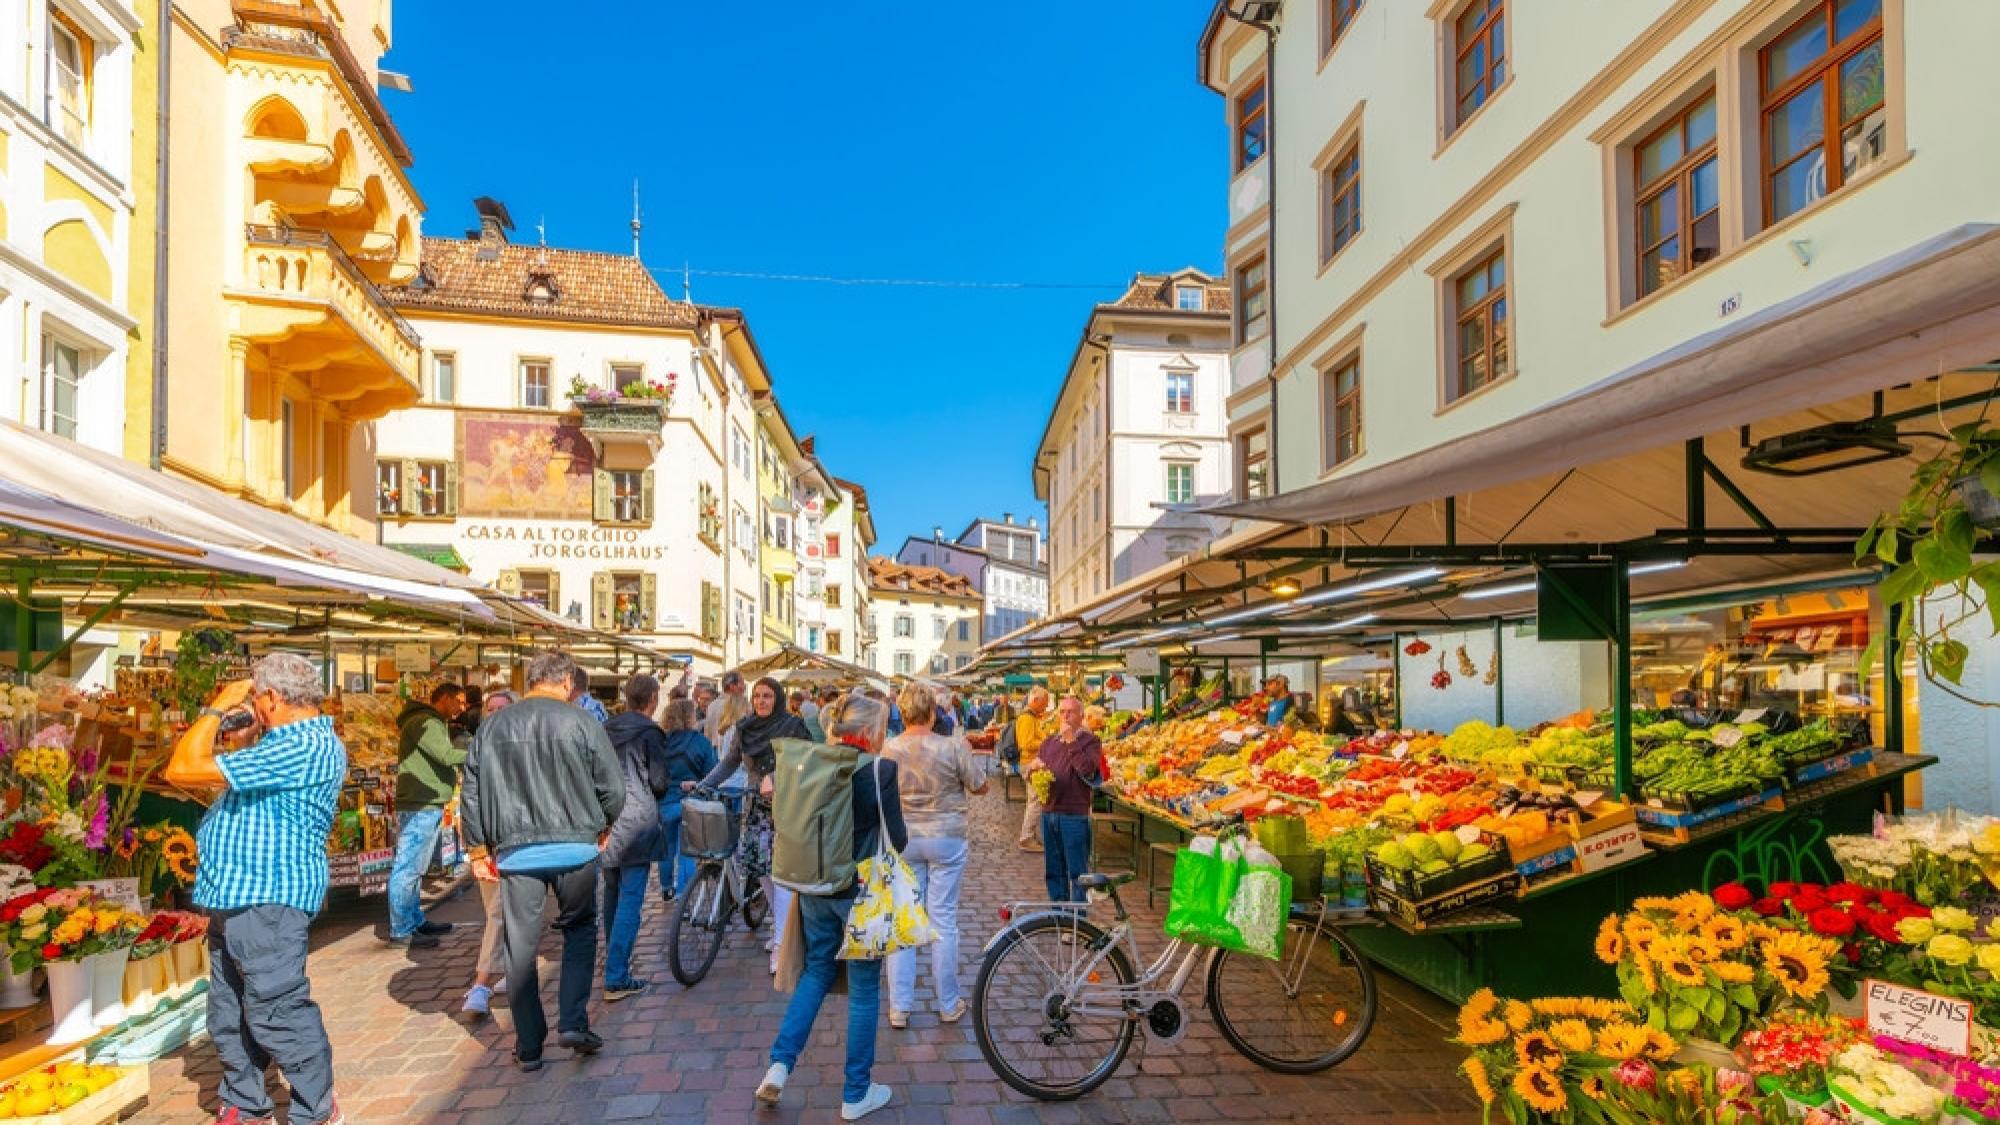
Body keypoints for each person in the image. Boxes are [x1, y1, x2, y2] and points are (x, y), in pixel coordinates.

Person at [163, 654, 348, 1125]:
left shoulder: (303, 744)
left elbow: (181, 769)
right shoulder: (283, 743)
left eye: (255, 699)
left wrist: (216, 709)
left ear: (269, 698)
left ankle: (316, 1108)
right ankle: (245, 1102)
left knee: (276, 1008)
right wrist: (244, 737)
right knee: (229, 1011)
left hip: (268, 897)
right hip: (238, 894)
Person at [460, 651, 624, 1071]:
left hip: (517, 851)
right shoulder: (582, 721)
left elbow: (472, 791)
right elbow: (612, 786)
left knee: (521, 946)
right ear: (567, 682)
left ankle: (529, 1044)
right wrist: (603, 824)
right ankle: (572, 1020)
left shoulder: (493, 726)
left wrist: (478, 848)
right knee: (580, 929)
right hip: (575, 845)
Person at [756, 693, 906, 1120]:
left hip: (813, 887)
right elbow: (899, 840)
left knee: (817, 972)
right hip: (858, 892)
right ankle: (856, 1092)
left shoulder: (813, 761)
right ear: (868, 731)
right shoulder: (879, 770)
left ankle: (779, 1067)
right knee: (863, 992)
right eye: (880, 727)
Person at [881, 683, 986, 1029]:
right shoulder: (952, 746)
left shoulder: (889, 749)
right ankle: (948, 1002)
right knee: (943, 920)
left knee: (904, 919)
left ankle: (900, 1006)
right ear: (932, 712)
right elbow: (979, 784)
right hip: (945, 836)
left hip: (903, 837)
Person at [695, 677, 807, 966]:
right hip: (756, 806)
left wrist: (777, 778)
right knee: (762, 871)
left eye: (767, 696)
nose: (761, 701)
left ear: (778, 698)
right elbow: (730, 762)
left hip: (786, 807)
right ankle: (781, 927)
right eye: (757, 695)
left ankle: (783, 946)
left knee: (780, 873)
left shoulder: (792, 726)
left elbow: (806, 762)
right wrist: (702, 784)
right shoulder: (745, 728)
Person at [600, 675, 674, 1001]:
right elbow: (658, 782)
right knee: (631, 898)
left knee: (612, 892)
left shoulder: (605, 729)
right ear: (653, 699)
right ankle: (616, 974)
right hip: (638, 821)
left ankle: (614, 960)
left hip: (607, 818)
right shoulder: (650, 733)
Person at [387, 683, 467, 949]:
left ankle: (414, 920)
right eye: (458, 701)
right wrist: (481, 753)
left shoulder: (427, 721)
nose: (461, 707)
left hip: (424, 800)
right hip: (421, 802)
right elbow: (445, 756)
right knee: (409, 867)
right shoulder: (426, 722)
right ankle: (402, 929)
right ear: (443, 698)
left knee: (415, 866)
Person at [461, 689, 515, 1017]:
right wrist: (476, 848)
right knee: (496, 910)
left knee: (498, 912)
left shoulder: (520, 749)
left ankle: (481, 984)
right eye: (489, 708)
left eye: (501, 708)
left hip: (516, 842)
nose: (493, 713)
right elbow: (470, 797)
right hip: (488, 844)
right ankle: (512, 969)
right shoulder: (477, 749)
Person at [1038, 695, 1106, 907]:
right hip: (1049, 812)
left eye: (1071, 712)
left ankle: (1077, 919)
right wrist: (1032, 770)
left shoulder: (1090, 741)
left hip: (1073, 815)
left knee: (1077, 871)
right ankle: (1059, 914)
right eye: (1062, 712)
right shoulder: (1049, 742)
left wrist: (1071, 741)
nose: (1065, 716)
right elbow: (1038, 773)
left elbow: (1087, 769)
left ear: (1081, 716)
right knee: (1054, 870)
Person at [656, 698, 719, 901]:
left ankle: (666, 888)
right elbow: (713, 772)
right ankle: (683, 893)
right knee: (687, 851)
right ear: (690, 717)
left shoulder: (660, 741)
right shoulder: (699, 741)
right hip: (691, 801)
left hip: (665, 802)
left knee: (667, 848)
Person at [1014, 688, 1054, 852]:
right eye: (1044, 704)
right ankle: (1026, 838)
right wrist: (1047, 741)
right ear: (1035, 700)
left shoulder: (1033, 717)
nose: (1045, 708)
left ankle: (1030, 835)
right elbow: (1026, 744)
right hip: (1030, 763)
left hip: (1033, 763)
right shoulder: (1027, 719)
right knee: (1035, 801)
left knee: (1035, 800)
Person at [704, 670, 746, 744]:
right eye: (742, 683)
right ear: (732, 686)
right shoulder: (738, 704)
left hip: (714, 749)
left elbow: (707, 733)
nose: (744, 686)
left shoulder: (712, 705)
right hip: (730, 750)